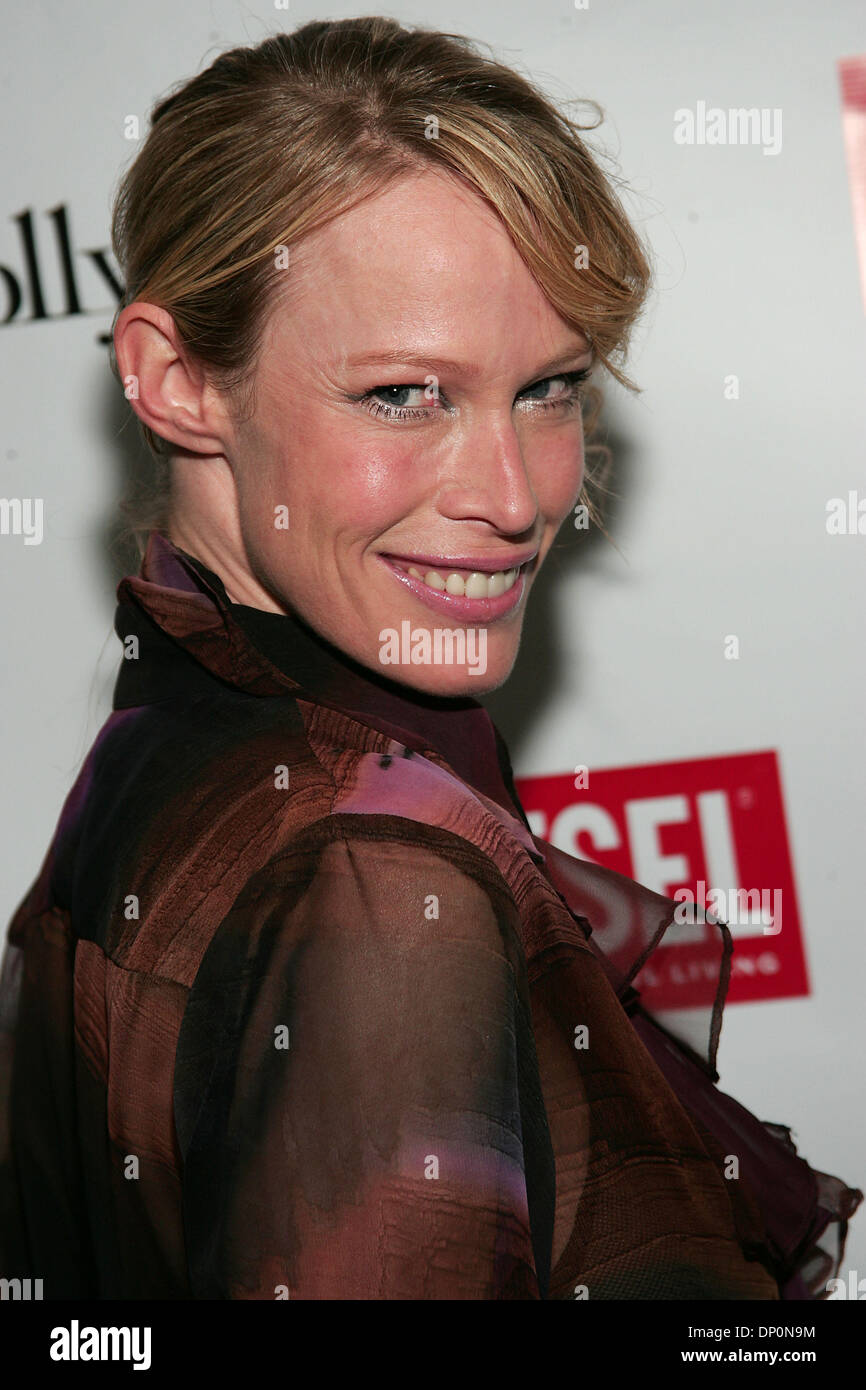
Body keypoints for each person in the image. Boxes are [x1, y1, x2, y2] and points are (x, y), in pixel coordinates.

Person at [0, 16, 860, 1300]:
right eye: (405, 395)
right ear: (176, 380)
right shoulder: (377, 879)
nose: (514, 496)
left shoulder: (175, 737)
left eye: (548, 387)